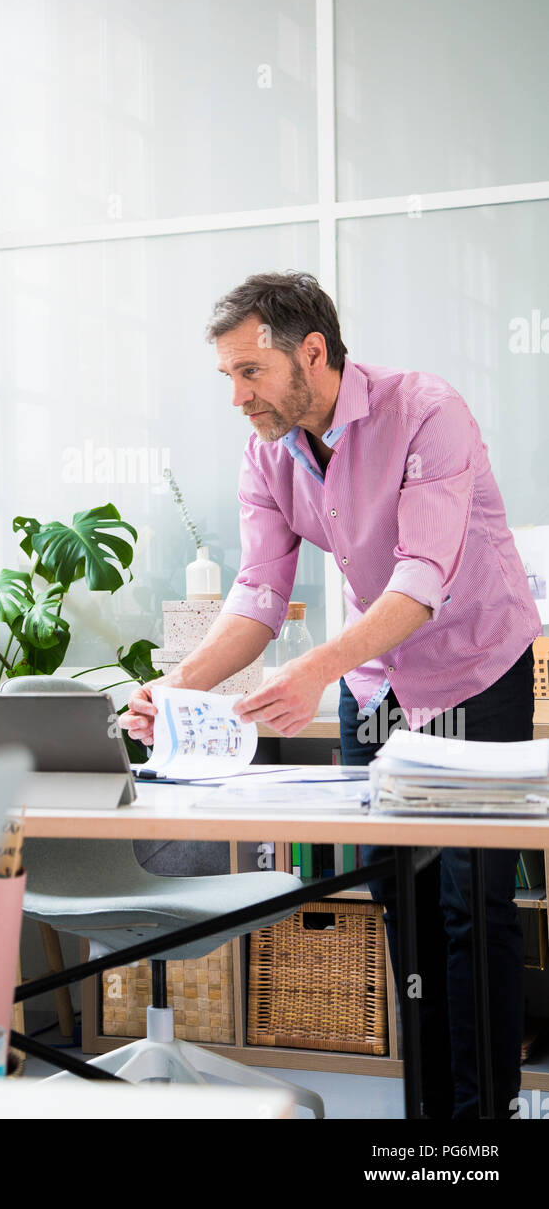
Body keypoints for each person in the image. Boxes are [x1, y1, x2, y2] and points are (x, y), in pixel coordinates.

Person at [124, 271, 539, 1120]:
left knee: (471, 905)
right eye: (229, 376)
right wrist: (175, 688)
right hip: (376, 683)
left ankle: (481, 1126)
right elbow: (257, 595)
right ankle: (428, 1124)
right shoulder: (268, 452)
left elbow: (422, 578)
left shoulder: (427, 412)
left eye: (250, 372)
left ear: (312, 352)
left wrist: (311, 671)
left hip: (473, 668)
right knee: (400, 903)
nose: (238, 397)